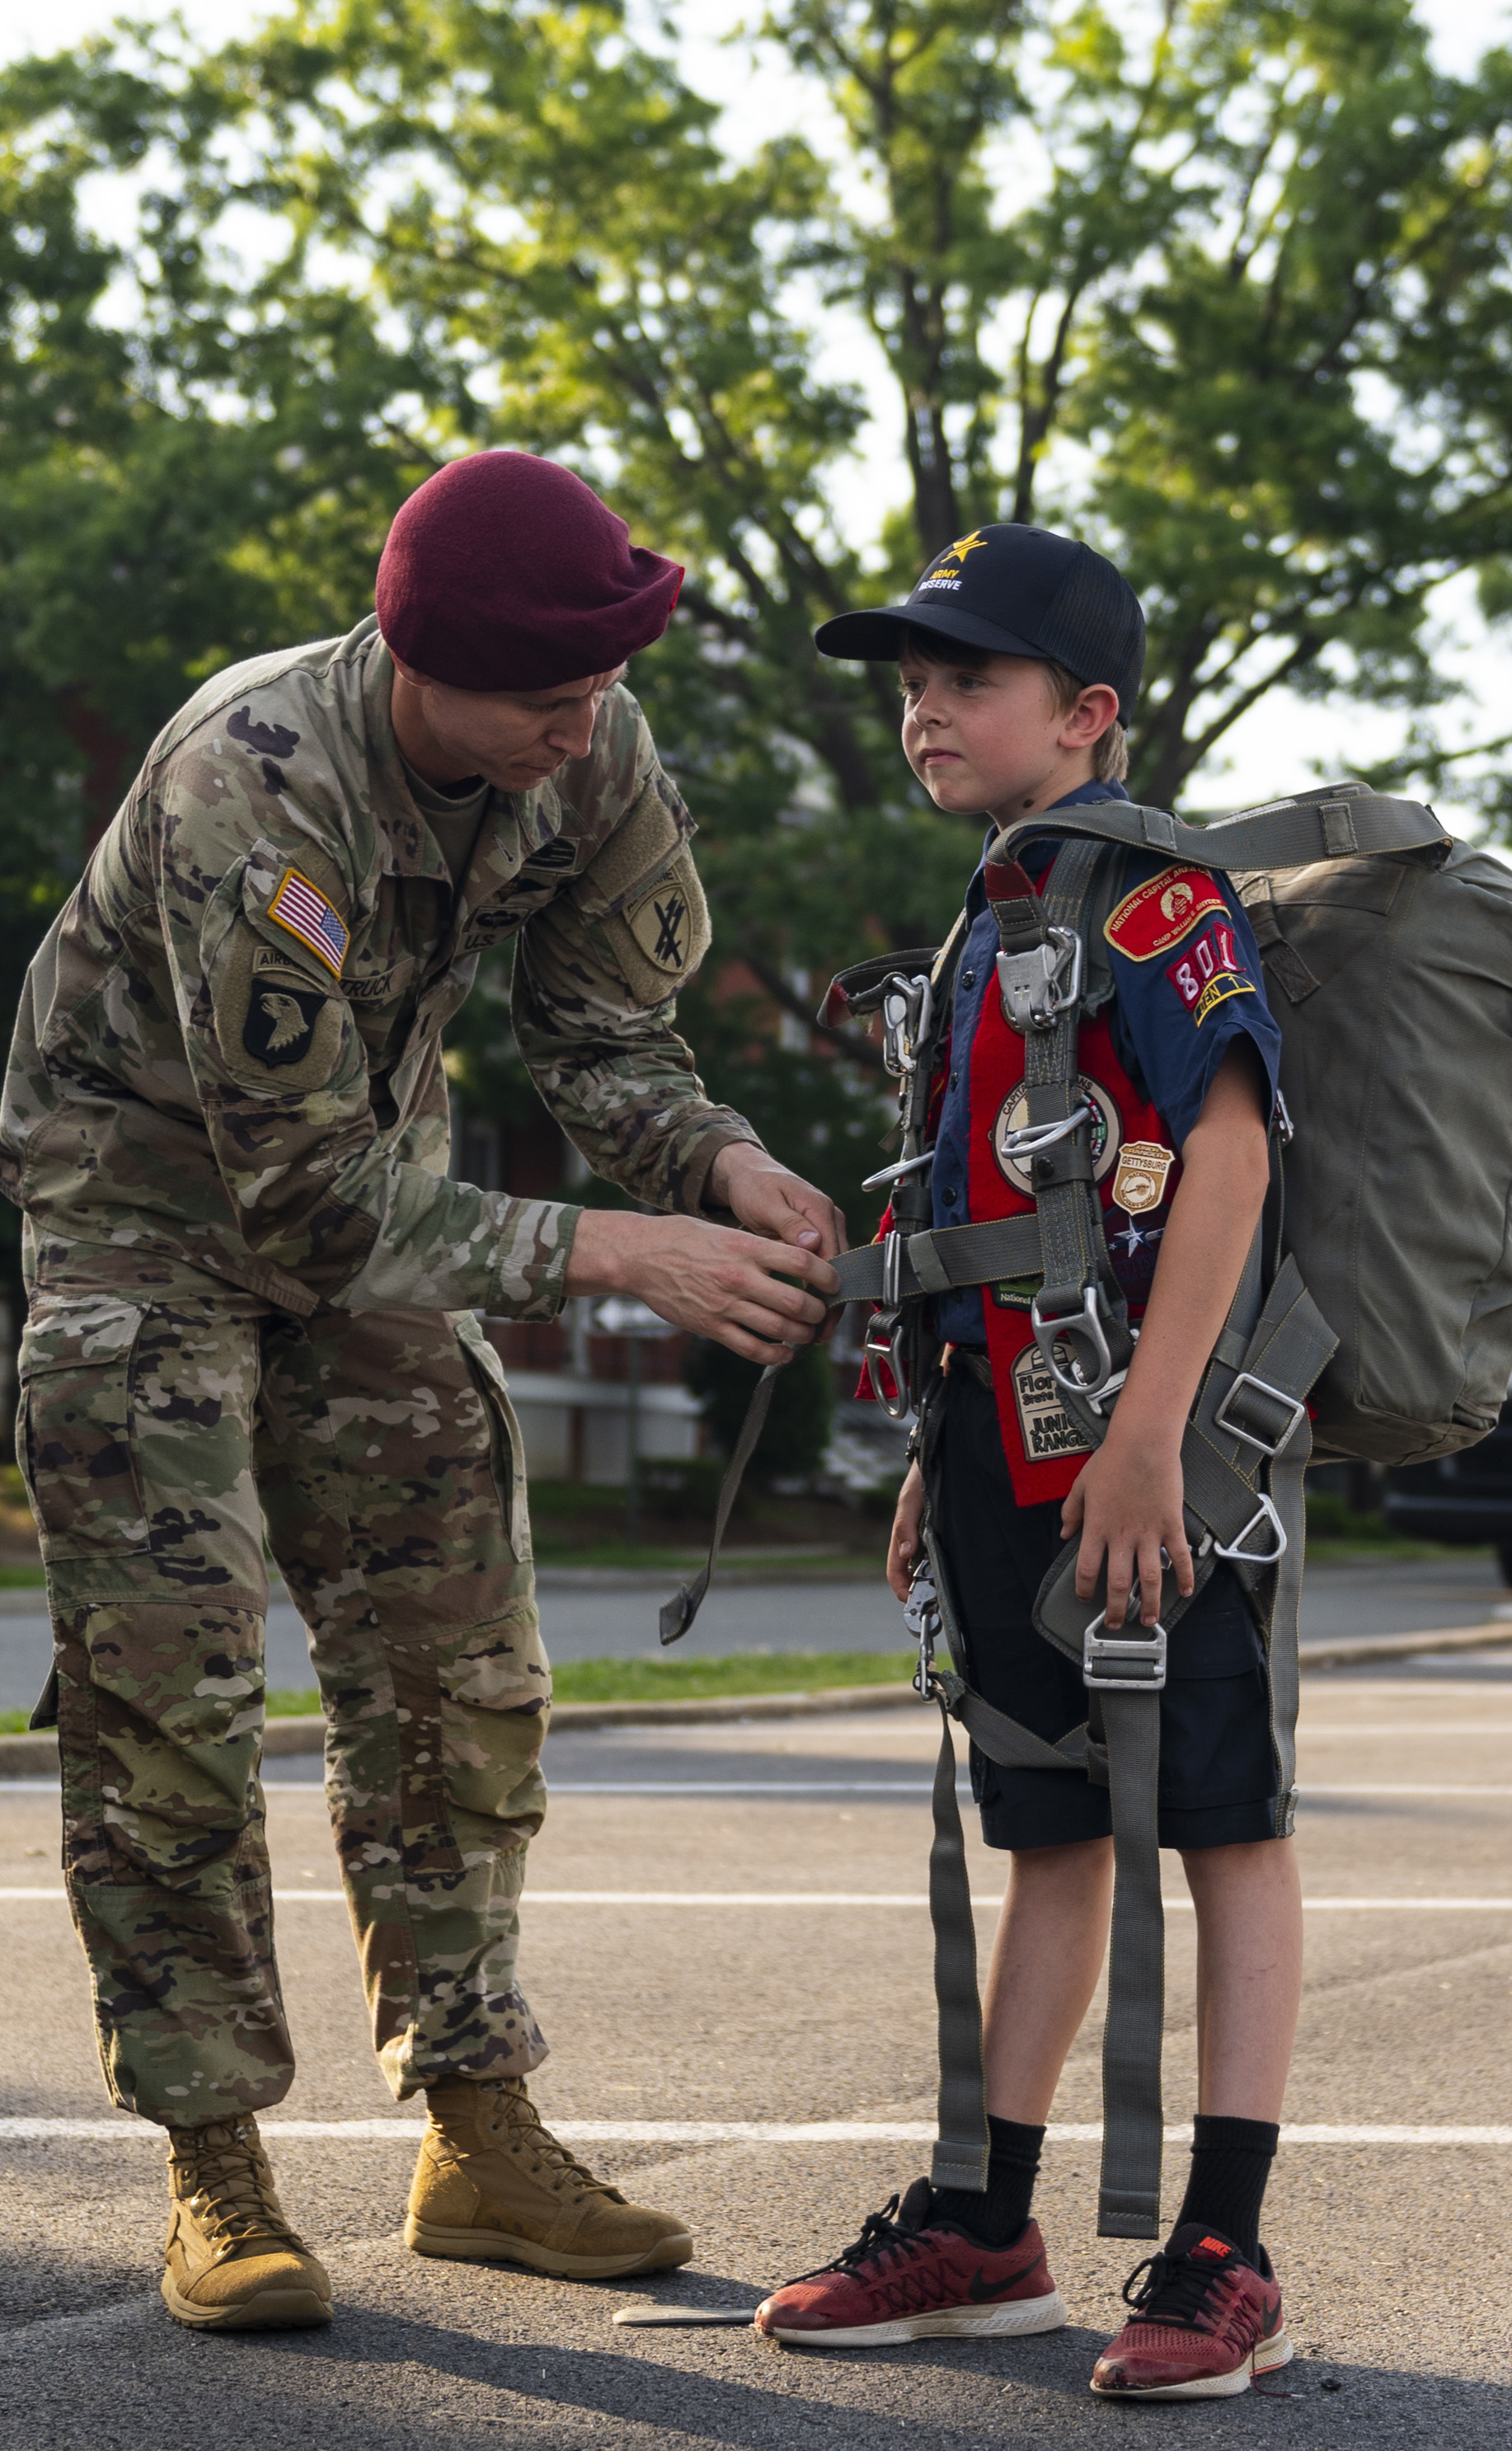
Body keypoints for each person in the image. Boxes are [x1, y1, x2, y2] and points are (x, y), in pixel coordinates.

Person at [0, 449, 843, 2333]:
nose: (584, 730)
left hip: (381, 1201)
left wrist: (713, 1165)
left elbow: (606, 1031)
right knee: (175, 1693)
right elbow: (294, 1192)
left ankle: (476, 2127)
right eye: (546, 701)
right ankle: (214, 2160)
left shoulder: (587, 748)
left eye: (600, 692)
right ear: (417, 666)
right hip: (149, 1223)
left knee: (458, 1661)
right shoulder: (257, 780)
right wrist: (616, 1253)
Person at [753, 524, 1299, 2399]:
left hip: (1159, 1452)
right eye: (910, 678)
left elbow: (1224, 1155)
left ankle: (1222, 2241)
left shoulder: (1154, 904)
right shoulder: (989, 918)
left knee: (1223, 1819)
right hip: (997, 1453)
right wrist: (935, 1448)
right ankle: (987, 2220)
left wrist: (1152, 1431)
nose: (922, 707)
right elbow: (993, 1222)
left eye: (963, 677)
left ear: (1085, 715)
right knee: (1048, 1820)